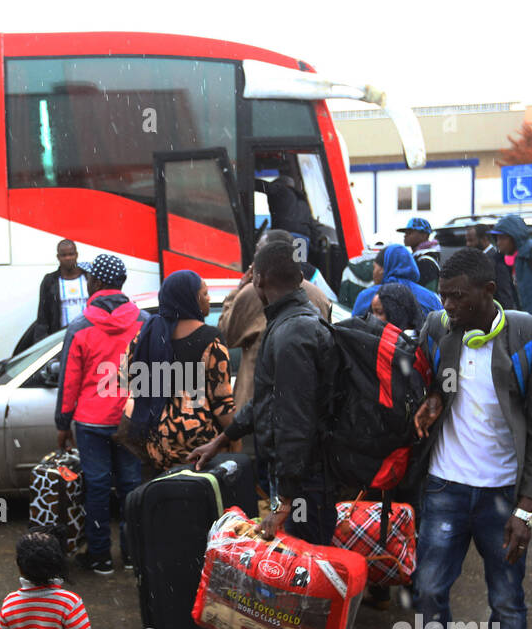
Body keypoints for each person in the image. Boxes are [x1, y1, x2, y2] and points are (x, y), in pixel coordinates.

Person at [191, 237, 370, 629]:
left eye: (251, 270)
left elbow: (295, 423)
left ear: (258, 276)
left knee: (317, 586)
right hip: (302, 479)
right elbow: (265, 404)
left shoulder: (291, 335)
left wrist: (286, 499)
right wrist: (222, 437)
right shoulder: (287, 324)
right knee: (302, 583)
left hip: (305, 484)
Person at [408, 246, 532, 629]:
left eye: (458, 297)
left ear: (489, 292)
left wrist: (530, 506)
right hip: (446, 485)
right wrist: (433, 398)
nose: (448, 305)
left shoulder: (531, 335)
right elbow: (435, 380)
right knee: (429, 588)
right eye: (443, 296)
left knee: (506, 600)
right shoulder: (438, 327)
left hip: (503, 493)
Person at [55, 254, 146, 574]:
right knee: (131, 486)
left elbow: (69, 382)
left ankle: (100, 557)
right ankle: (134, 555)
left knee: (95, 488)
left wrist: (62, 424)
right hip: (130, 418)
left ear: (97, 283)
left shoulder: (80, 326)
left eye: (90, 277)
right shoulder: (144, 323)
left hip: (92, 421)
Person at [123, 270, 236, 471]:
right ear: (191, 298)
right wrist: (235, 440)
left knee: (169, 497)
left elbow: (127, 379)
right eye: (205, 293)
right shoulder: (210, 338)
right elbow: (222, 403)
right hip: (199, 443)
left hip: (156, 441)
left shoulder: (147, 335)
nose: (208, 299)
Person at [220, 229, 331, 416]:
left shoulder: (251, 292)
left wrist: (237, 291)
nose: (254, 257)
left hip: (254, 411)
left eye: (258, 251)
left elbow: (225, 336)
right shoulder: (319, 296)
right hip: (304, 410)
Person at [15, 240, 90, 353]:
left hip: (89, 339)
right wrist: (41, 347)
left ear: (77, 255)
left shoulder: (89, 278)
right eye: (64, 255)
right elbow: (43, 318)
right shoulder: (50, 281)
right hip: (63, 342)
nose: (68, 258)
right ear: (58, 257)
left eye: (71, 254)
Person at [351, 244, 443, 320]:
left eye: (375, 267)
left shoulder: (368, 296)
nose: (373, 273)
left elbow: (353, 330)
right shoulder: (431, 298)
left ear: (383, 270)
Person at [490, 214, 532, 317]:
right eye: (497, 239)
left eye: (502, 238)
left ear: (515, 237)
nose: (498, 243)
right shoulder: (516, 260)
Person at [400, 217, 443, 292]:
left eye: (410, 233)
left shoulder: (426, 261)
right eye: (405, 233)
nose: (405, 235)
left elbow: (428, 293)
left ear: (424, 235)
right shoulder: (416, 257)